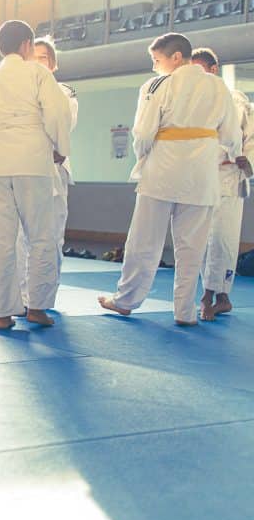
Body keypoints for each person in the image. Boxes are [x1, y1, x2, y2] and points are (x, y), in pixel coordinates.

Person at [99, 33, 240, 326]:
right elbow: (230, 136)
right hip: (202, 175)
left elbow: (142, 133)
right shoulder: (218, 86)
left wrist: (142, 159)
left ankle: (125, 301)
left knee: (143, 242)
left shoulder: (156, 85)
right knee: (192, 248)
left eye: (157, 60)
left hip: (162, 173)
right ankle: (185, 312)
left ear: (176, 57)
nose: (155, 67)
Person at [0, 20, 72, 330]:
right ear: (27, 45)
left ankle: (2, 314)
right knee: (40, 236)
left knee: (0, 241)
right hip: (31, 160)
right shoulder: (38, 73)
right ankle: (37, 308)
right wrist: (60, 147)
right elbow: (58, 113)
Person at [14, 36, 79, 313]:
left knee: (52, 236)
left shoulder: (64, 92)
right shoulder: (18, 91)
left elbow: (62, 128)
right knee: (22, 236)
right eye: (33, 57)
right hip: (25, 168)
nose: (37, 62)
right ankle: (20, 296)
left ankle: (43, 297)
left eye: (43, 58)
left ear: (52, 64)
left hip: (53, 170)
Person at [190, 47, 254, 320]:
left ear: (213, 70)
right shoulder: (193, 103)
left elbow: (246, 139)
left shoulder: (234, 99)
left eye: (198, 70)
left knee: (223, 238)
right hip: (202, 177)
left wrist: (242, 159)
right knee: (203, 237)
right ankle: (219, 296)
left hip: (227, 178)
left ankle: (211, 296)